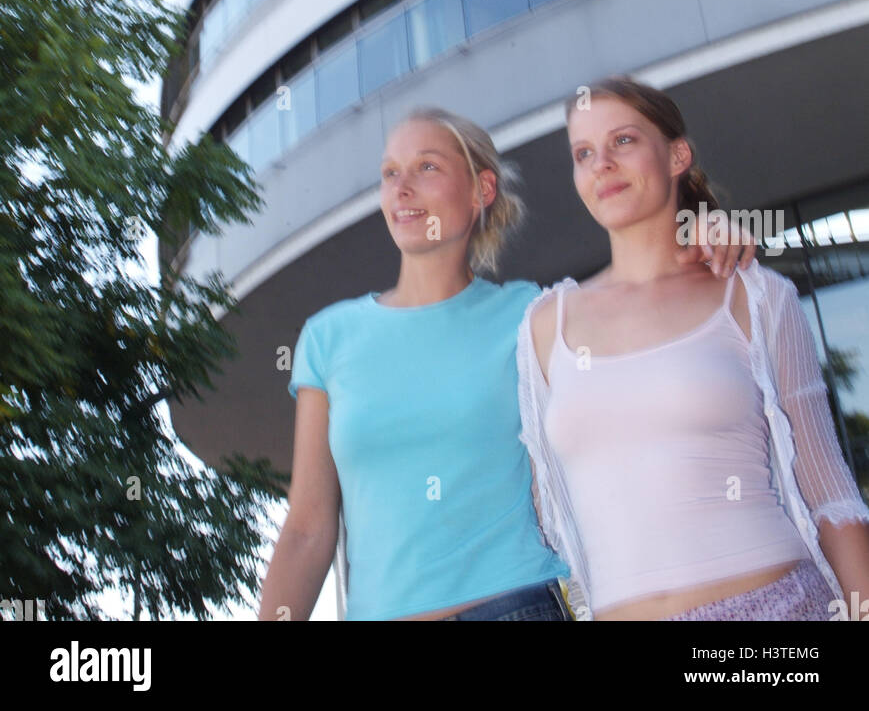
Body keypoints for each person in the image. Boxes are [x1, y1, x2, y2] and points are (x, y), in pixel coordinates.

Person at [517, 76, 869, 621]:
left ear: (677, 154)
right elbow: (552, 515)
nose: (601, 164)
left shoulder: (756, 295)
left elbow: (829, 491)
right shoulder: (544, 325)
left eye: (623, 141)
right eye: (583, 153)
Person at [258, 106, 573, 621]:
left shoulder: (529, 313)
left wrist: (706, 240)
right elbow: (308, 527)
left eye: (426, 167)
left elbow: (637, 300)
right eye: (389, 173)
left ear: (481, 191)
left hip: (512, 607)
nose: (401, 188)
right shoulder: (328, 337)